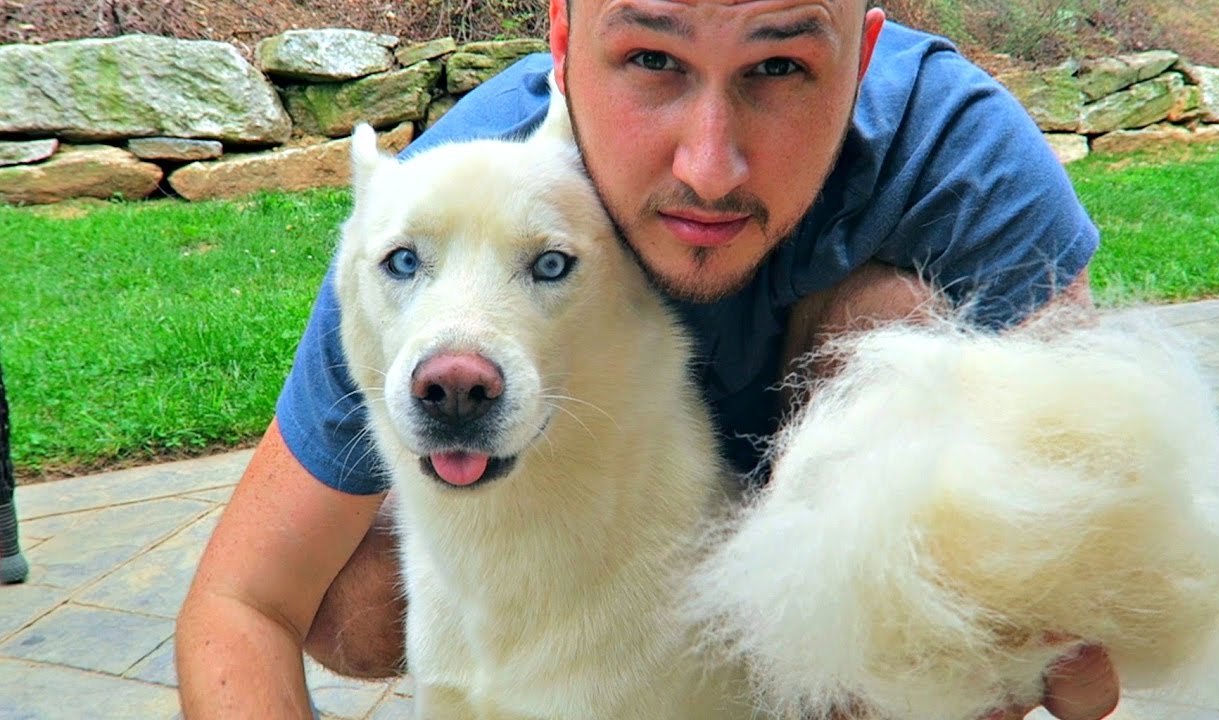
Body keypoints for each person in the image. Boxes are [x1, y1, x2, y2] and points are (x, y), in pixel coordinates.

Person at [176, 1, 1119, 718]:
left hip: (812, 528)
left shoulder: (962, 155)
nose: (709, 166)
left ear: (863, 58)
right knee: (348, 588)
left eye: (780, 66)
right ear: (563, 44)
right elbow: (242, 603)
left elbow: (1094, 666)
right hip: (583, 519)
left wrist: (1020, 610)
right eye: (652, 60)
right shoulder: (447, 195)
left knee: (895, 324)